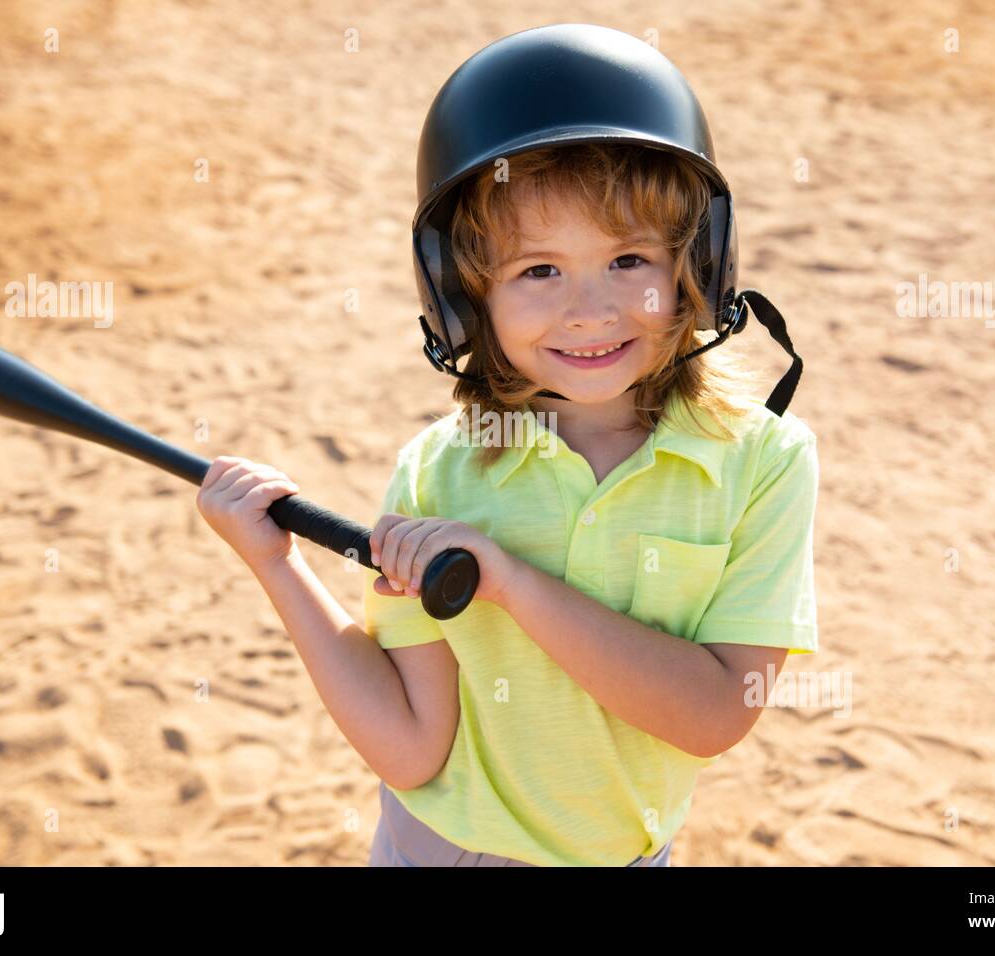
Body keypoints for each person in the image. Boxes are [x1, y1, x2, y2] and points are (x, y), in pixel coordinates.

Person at [196, 24, 818, 867]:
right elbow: (411, 748)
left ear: (696, 264)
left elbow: (715, 715)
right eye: (538, 271)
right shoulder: (441, 470)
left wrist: (511, 584)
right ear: (463, 299)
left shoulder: (762, 461)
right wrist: (278, 566)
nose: (591, 311)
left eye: (630, 258)